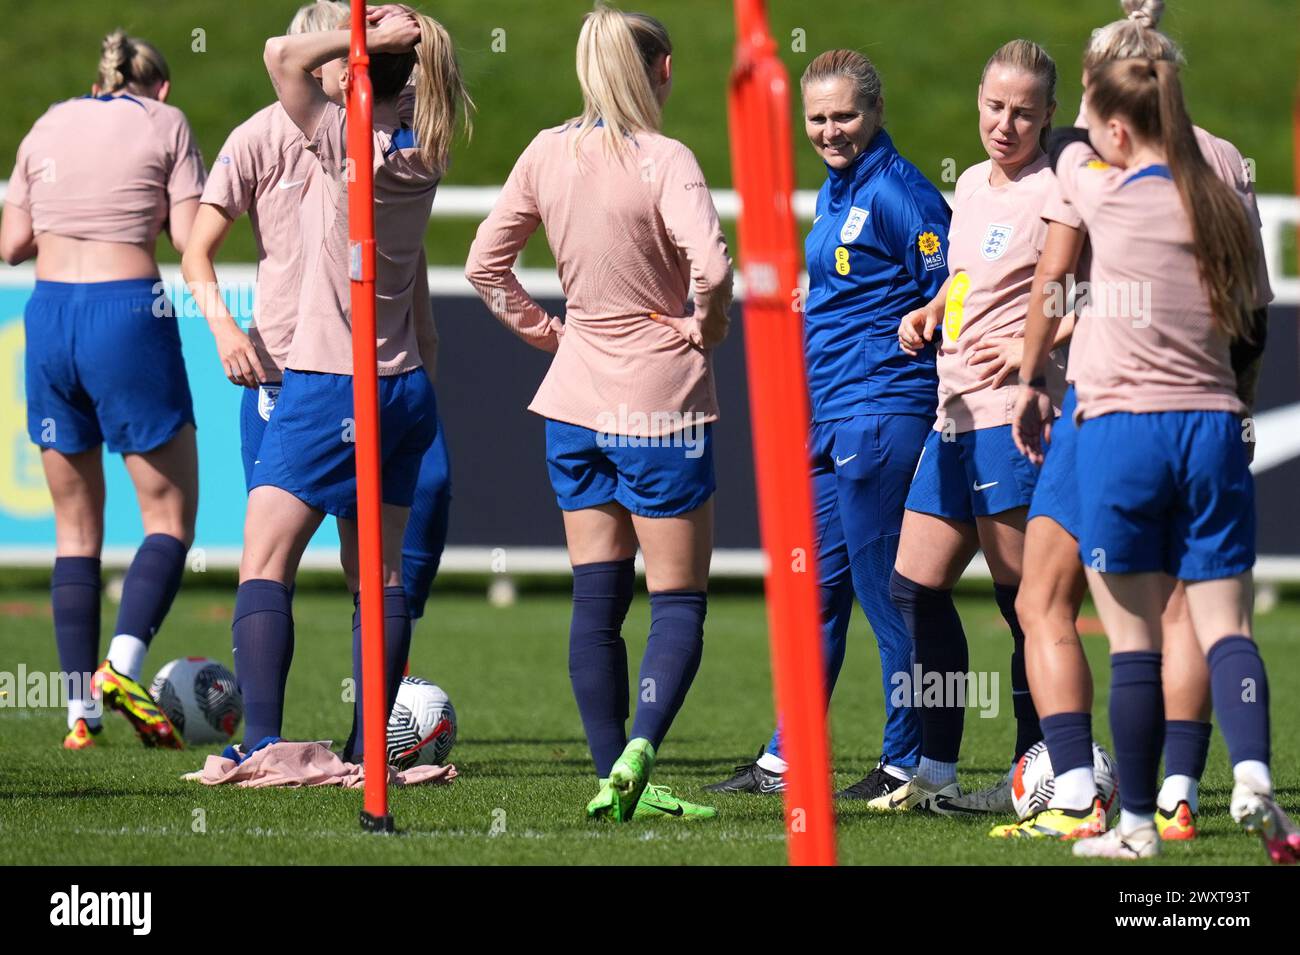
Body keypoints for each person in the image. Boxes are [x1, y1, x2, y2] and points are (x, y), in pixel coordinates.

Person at [993, 0, 1273, 841]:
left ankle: (1099, 799)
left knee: (1081, 612)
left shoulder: (1102, 179)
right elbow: (1251, 316)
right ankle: (1216, 783)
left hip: (1113, 415)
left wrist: (1034, 364)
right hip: (1214, 416)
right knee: (1213, 616)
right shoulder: (1224, 168)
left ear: (1111, 109)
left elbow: (1055, 264)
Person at [465, 6, 732, 822]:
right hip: (661, 402)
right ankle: (642, 754)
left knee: (596, 599)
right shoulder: (665, 158)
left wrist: (548, 331)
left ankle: (609, 768)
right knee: (677, 598)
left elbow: (484, 263)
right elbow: (713, 269)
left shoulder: (548, 151)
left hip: (573, 403)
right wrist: (704, 329)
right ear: (662, 68)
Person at [180, 2, 453, 752]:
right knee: (380, 572)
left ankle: (265, 745)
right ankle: (369, 750)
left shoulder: (339, 133)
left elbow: (280, 55)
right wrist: (226, 328)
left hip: (324, 376)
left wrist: (366, 41)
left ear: (354, 65)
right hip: (359, 379)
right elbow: (197, 251)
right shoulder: (427, 140)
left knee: (267, 557)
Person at [705, 49, 950, 801]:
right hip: (830, 416)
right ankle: (789, 756)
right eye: (817, 117)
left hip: (880, 415)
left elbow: (954, 284)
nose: (830, 129)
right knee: (812, 594)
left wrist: (921, 319)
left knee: (889, 600)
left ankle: (907, 761)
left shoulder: (900, 191)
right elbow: (860, 279)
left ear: (876, 112)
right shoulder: (836, 192)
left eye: (844, 114)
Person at [879, 39, 1072, 814]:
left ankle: (1042, 773)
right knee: (912, 588)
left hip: (1008, 415)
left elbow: (1083, 295)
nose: (1006, 123)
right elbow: (967, 278)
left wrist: (1032, 348)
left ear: (1051, 115)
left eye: (1025, 111)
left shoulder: (1059, 188)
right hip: (951, 412)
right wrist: (933, 310)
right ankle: (937, 766)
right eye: (995, 106)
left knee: (1025, 601)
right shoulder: (973, 184)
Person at [1, 30, 206, 750]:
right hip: (128, 312)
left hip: (50, 316)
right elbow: (187, 235)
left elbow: (11, 244)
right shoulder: (166, 123)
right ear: (163, 87)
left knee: (74, 529)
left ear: (98, 80)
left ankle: (77, 716)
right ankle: (121, 665)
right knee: (169, 516)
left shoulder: (47, 122)